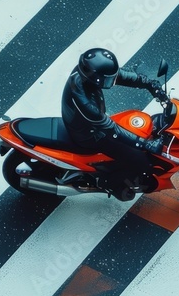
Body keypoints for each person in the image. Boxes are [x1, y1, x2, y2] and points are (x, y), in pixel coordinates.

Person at [61, 48, 165, 201]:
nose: (112, 82)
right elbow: (111, 129)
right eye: (107, 80)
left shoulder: (87, 74)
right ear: (93, 77)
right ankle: (112, 184)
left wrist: (150, 85)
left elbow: (121, 76)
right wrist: (144, 144)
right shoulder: (83, 100)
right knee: (140, 160)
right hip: (88, 134)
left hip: (90, 123)